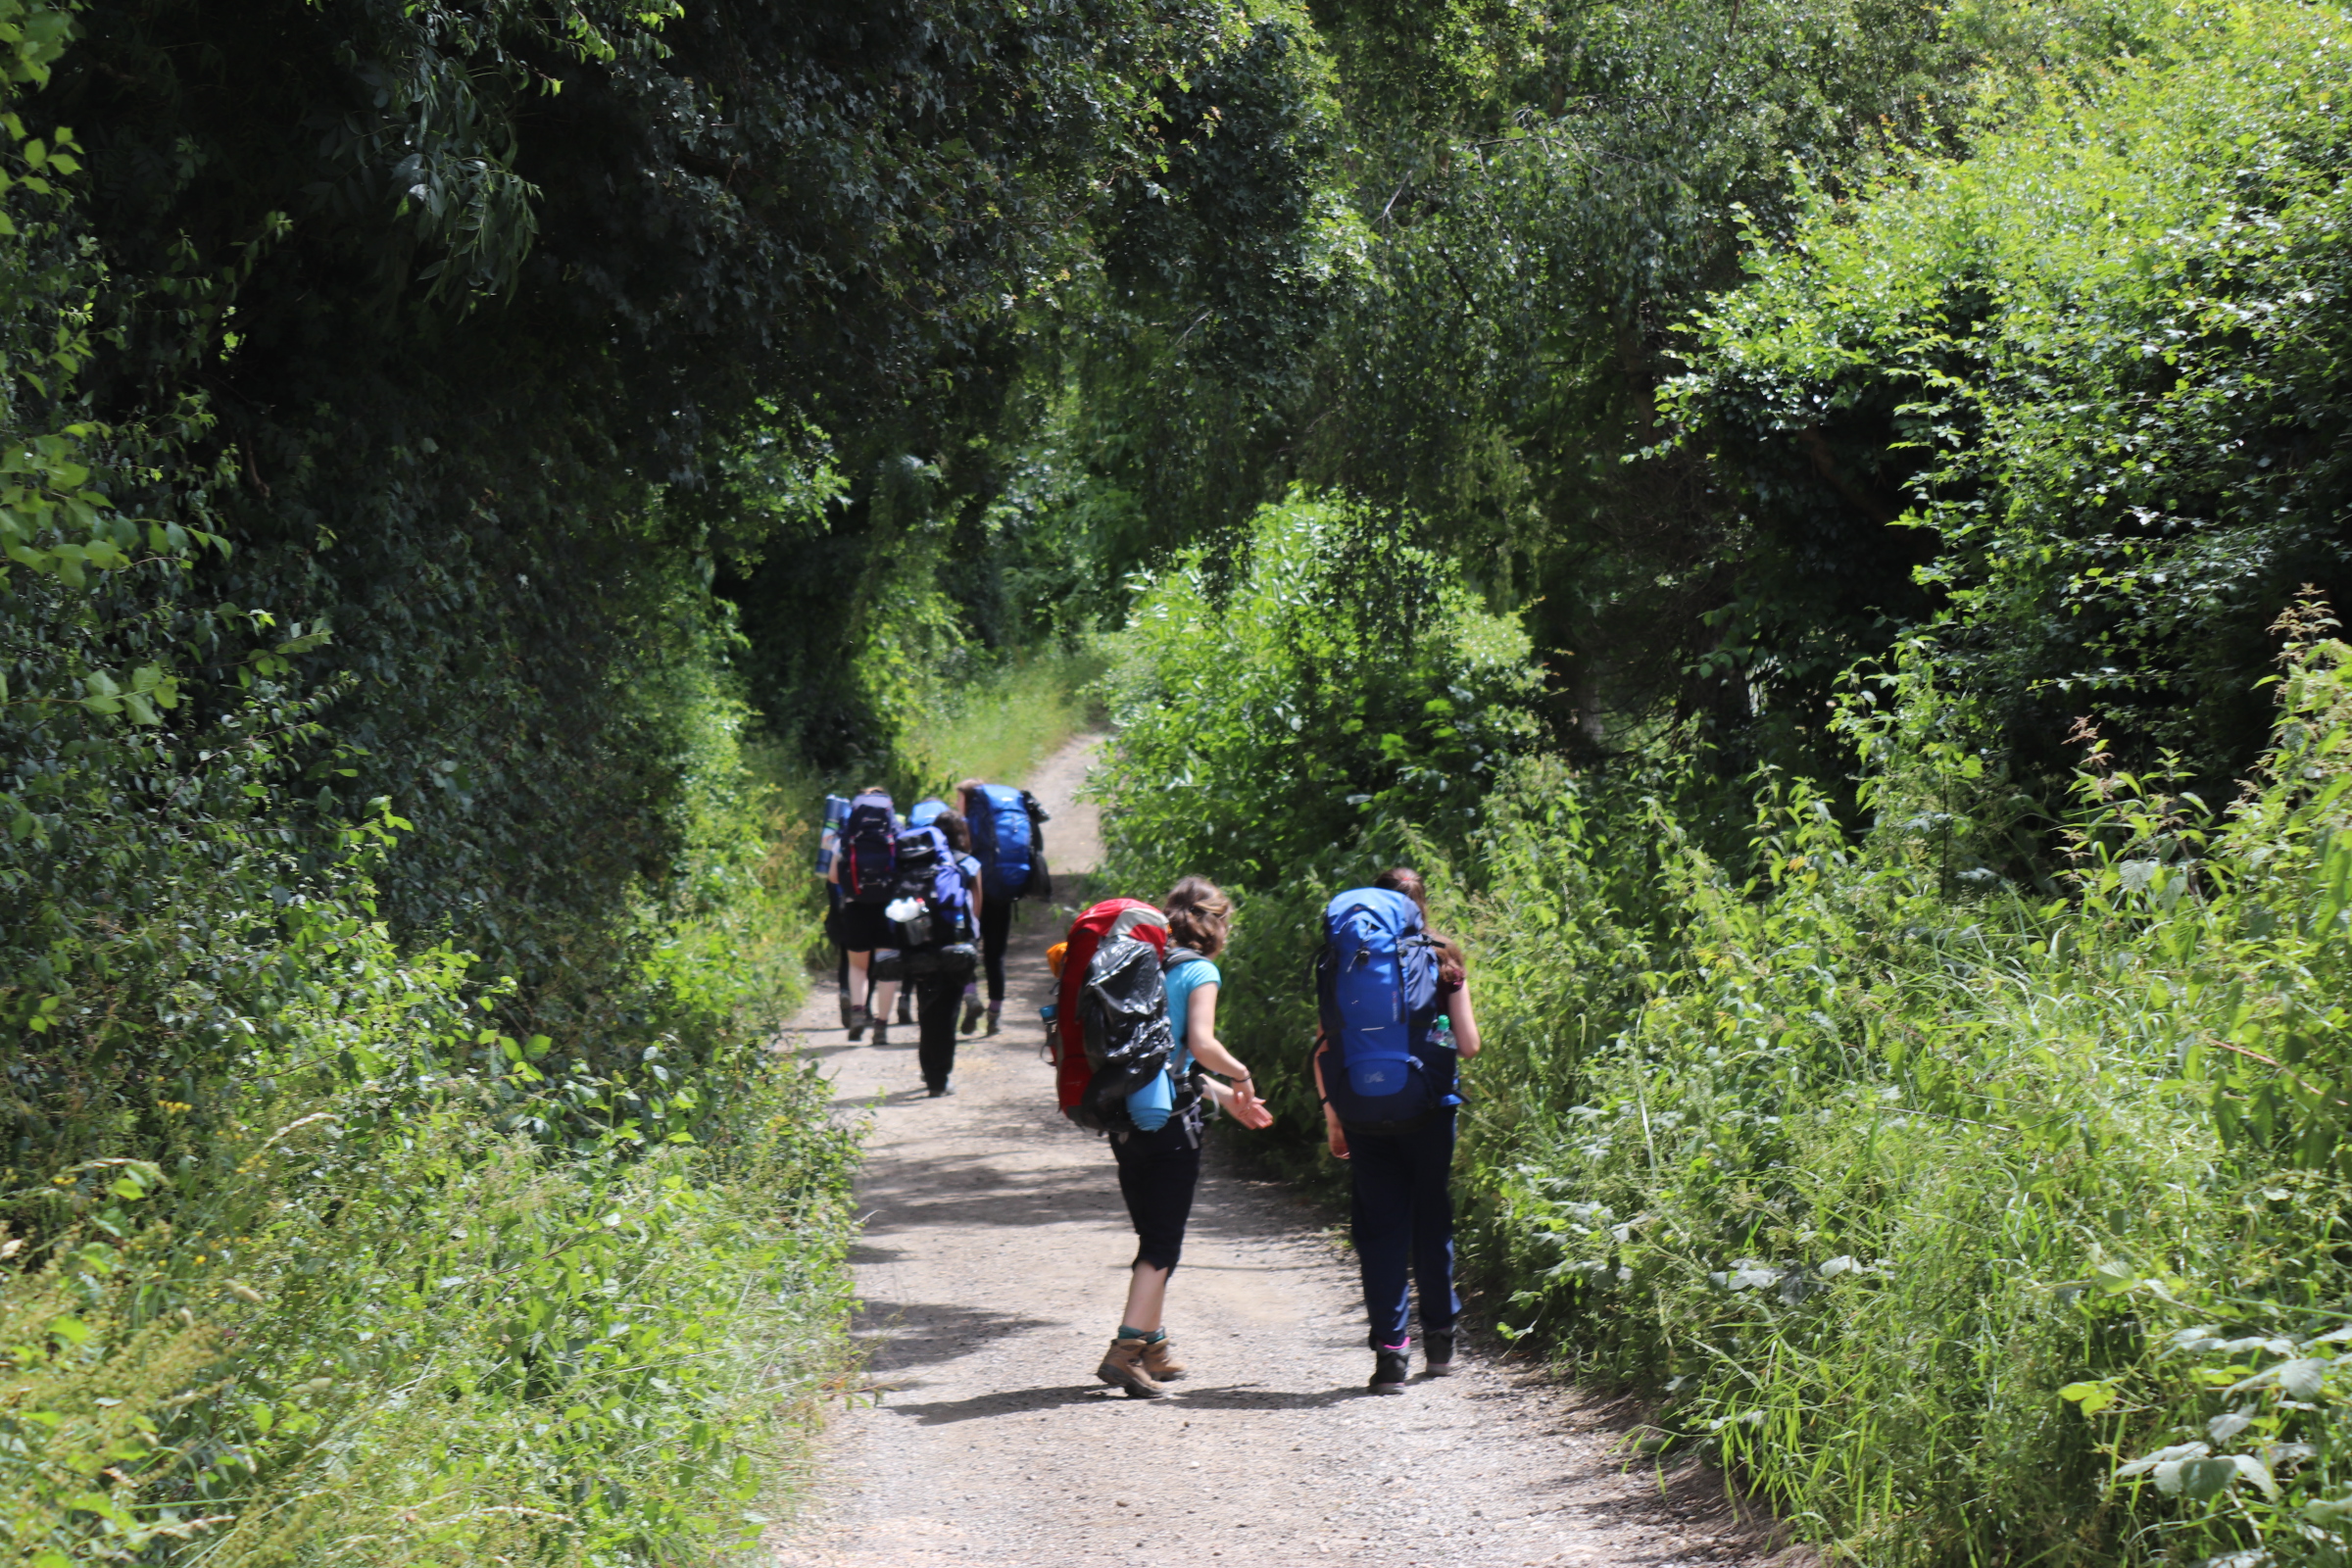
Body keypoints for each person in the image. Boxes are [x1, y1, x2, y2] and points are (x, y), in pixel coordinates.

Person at [1095, 876, 1274, 1398]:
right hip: (1169, 1123)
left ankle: (1154, 1346)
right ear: (1215, 923)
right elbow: (1200, 1042)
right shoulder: (1199, 969)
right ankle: (1127, 1351)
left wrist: (1226, 1098)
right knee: (1161, 1244)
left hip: (1126, 1116)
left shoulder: (1144, 963)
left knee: (1153, 1234)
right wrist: (1241, 1078)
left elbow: (1173, 1064)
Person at [1313, 867, 1481, 1394]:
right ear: (1418, 906)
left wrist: (1334, 1117)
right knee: (1431, 1218)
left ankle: (1390, 1356)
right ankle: (1440, 1341)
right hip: (1428, 1110)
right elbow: (1469, 1044)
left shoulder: (1340, 960)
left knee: (1379, 1229)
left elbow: (1326, 1046)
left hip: (1361, 1110)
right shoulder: (1442, 960)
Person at [912, 809, 984, 1096]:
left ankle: (929, 1069)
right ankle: (939, 1078)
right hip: (956, 945)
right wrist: (970, 938)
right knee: (949, 1011)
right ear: (961, 834)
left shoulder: (922, 862)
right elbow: (977, 907)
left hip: (922, 944)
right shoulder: (969, 863)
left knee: (927, 1010)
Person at [827, 786, 902, 1048]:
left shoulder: (846, 836)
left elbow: (834, 877)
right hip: (888, 909)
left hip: (856, 905)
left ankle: (858, 1012)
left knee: (858, 966)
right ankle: (881, 1026)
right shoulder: (896, 832)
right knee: (887, 968)